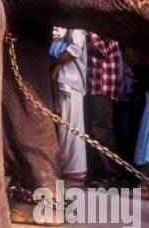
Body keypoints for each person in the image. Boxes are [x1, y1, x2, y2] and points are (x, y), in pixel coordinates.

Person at [51, 28, 88, 189]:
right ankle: (66, 168)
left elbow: (75, 49)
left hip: (71, 81)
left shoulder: (76, 25)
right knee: (63, 129)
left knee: (71, 129)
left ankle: (76, 172)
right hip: (62, 81)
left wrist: (56, 63)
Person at [85, 34, 123, 186]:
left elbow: (102, 50)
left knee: (101, 130)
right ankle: (101, 172)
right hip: (95, 87)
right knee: (96, 130)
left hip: (102, 87)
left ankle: (111, 174)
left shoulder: (105, 31)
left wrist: (88, 34)